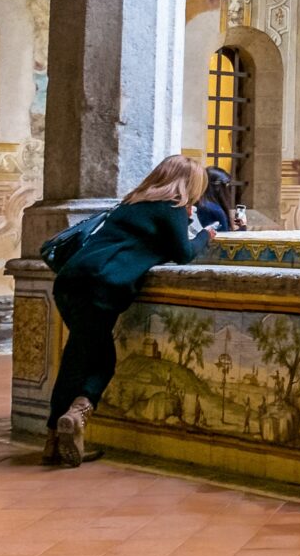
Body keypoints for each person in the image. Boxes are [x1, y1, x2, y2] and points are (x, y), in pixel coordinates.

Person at [46, 156, 216, 468]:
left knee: (76, 357)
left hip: (69, 281)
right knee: (102, 362)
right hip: (100, 287)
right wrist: (205, 235)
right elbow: (183, 254)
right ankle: (76, 416)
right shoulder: (172, 208)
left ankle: (53, 441)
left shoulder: (131, 202)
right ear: (191, 184)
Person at [196, 166, 246, 232]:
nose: (228, 189)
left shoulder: (202, 205)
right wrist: (242, 227)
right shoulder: (213, 210)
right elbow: (223, 240)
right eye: (226, 185)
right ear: (218, 187)